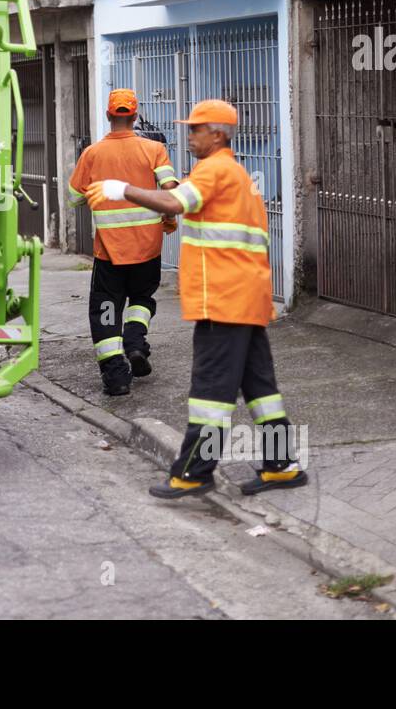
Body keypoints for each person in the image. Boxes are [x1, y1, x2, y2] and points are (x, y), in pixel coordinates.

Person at [85, 98, 307, 498]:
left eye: (195, 129)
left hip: (224, 301)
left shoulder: (215, 169)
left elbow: (173, 202)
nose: (189, 136)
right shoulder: (235, 173)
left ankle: (193, 472)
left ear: (218, 134)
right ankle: (282, 465)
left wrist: (123, 189)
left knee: (210, 390)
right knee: (261, 388)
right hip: (245, 299)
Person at [68, 88, 178, 396]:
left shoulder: (92, 154)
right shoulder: (154, 149)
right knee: (142, 300)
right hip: (148, 248)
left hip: (109, 252)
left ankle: (116, 377)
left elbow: (74, 197)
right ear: (134, 115)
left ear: (108, 115)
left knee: (105, 307)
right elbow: (170, 189)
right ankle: (134, 341)